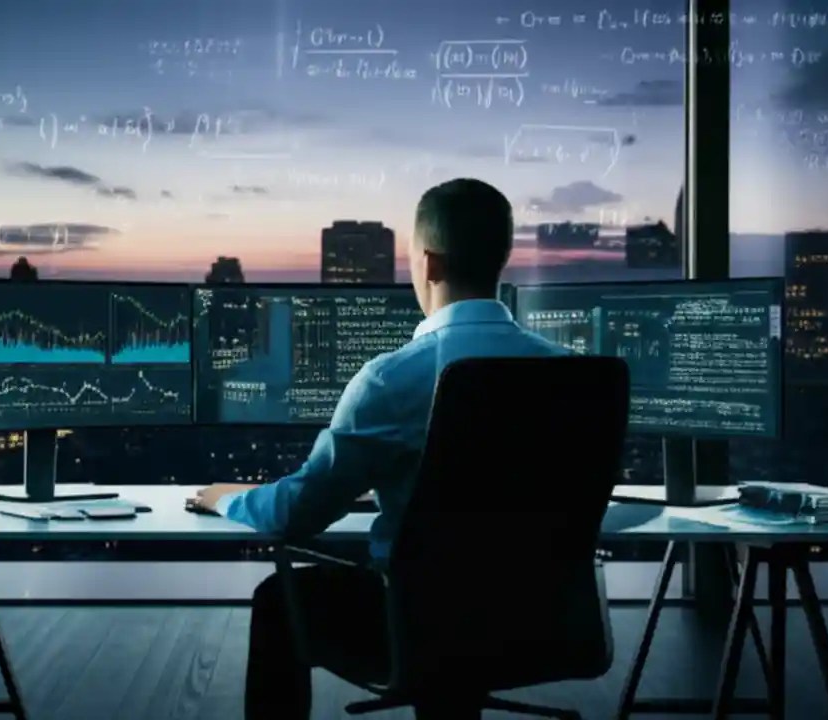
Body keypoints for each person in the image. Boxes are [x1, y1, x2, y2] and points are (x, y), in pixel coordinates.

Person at [190, 178, 566, 720]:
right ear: (500, 259)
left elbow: (296, 513)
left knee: (279, 599)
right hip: (544, 622)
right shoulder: (572, 373)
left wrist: (226, 497)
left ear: (429, 263)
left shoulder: (392, 379)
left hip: (419, 625)